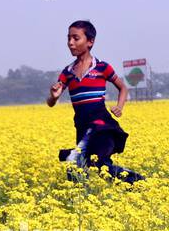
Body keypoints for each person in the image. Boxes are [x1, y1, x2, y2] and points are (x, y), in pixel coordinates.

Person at [47, 20, 144, 183]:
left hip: (101, 126)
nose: (70, 43)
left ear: (90, 41)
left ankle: (138, 183)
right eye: (68, 38)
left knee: (93, 163)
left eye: (76, 38)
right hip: (82, 127)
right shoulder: (67, 73)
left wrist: (120, 107)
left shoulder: (102, 67)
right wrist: (54, 97)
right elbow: (51, 102)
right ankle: (80, 203)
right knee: (81, 169)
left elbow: (123, 88)